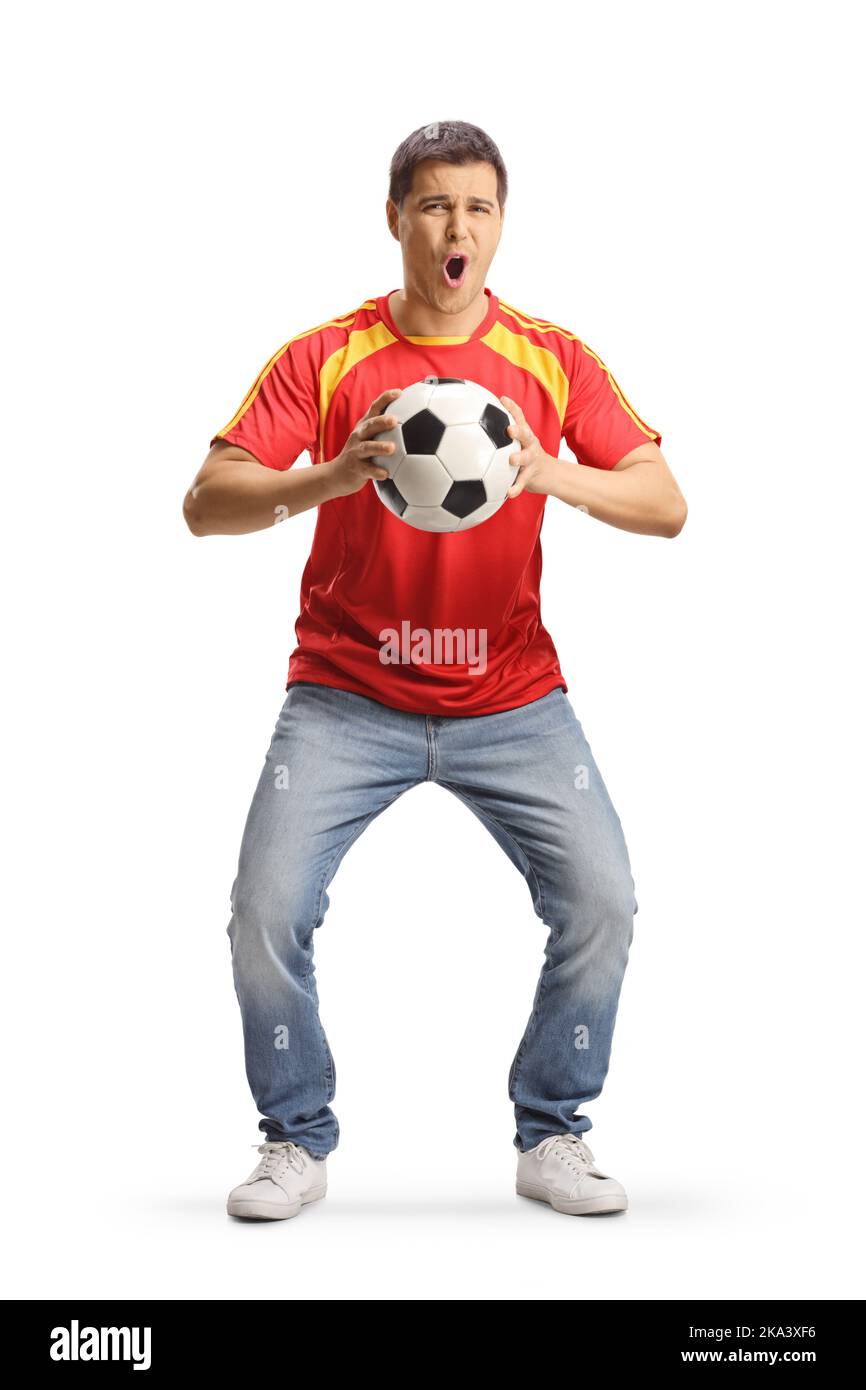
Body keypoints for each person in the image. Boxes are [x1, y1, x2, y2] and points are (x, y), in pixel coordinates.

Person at [182, 119, 687, 1221]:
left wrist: (551, 473)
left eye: (478, 207)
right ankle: (293, 1137)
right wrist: (328, 478)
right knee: (262, 908)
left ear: (499, 224)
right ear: (396, 218)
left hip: (510, 699)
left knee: (603, 899)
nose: (456, 227)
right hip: (343, 698)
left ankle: (553, 1131)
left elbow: (665, 505)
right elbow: (204, 504)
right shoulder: (325, 357)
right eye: (433, 205)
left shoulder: (550, 361)